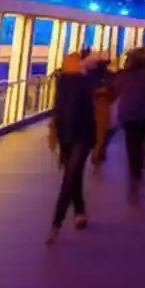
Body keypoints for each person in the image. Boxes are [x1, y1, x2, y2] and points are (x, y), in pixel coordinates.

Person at [47, 52, 98, 243]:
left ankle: (57, 221)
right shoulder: (73, 83)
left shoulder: (70, 84)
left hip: (77, 136)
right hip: (73, 135)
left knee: (70, 175)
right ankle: (79, 211)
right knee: (73, 174)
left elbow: (59, 110)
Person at [116, 48, 145, 195]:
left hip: (128, 114)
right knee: (143, 142)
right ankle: (140, 165)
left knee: (131, 144)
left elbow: (117, 88)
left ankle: (134, 172)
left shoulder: (124, 75)